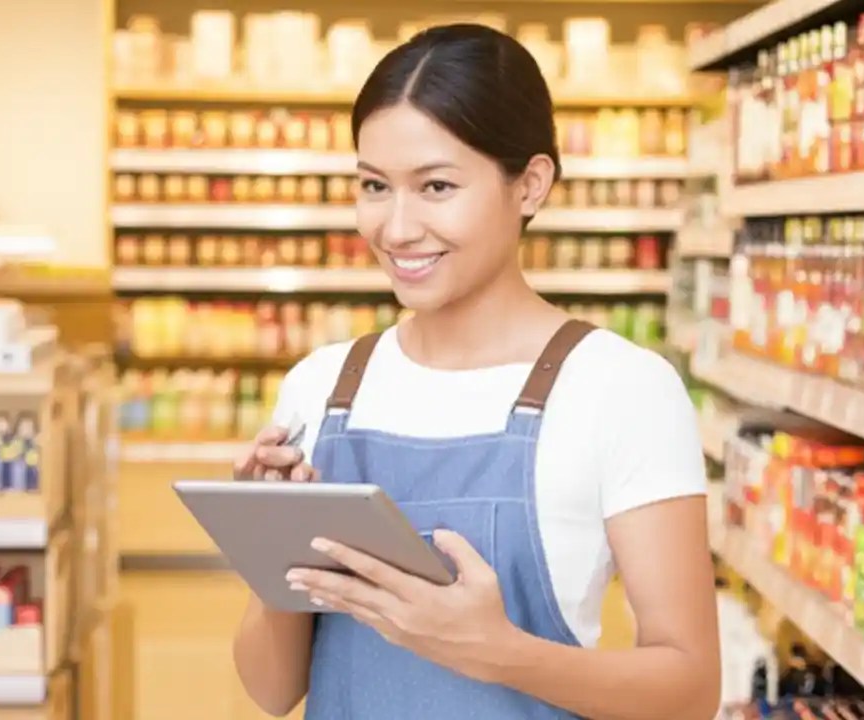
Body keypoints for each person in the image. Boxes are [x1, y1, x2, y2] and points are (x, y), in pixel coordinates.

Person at [231, 23, 719, 720]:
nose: (396, 228)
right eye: (375, 185)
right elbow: (271, 691)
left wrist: (494, 651)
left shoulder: (620, 389)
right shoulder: (323, 386)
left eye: (436, 185)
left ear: (531, 184)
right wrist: (274, 549)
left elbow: (690, 690)